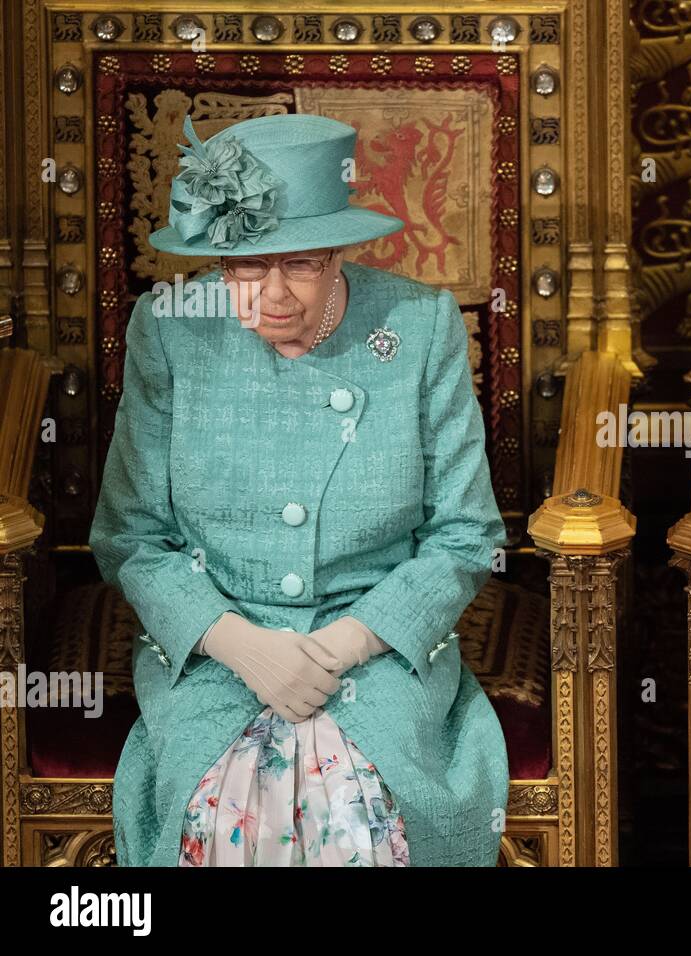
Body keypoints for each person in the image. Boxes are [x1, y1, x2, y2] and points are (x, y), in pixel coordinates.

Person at [90, 112, 508, 866]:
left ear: (342, 251)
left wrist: (340, 647)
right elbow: (131, 537)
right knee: (222, 812)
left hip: (375, 648)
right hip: (217, 649)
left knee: (355, 812)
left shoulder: (417, 325)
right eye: (247, 267)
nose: (271, 295)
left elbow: (465, 533)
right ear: (219, 261)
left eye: (304, 264)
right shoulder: (171, 329)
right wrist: (246, 649)